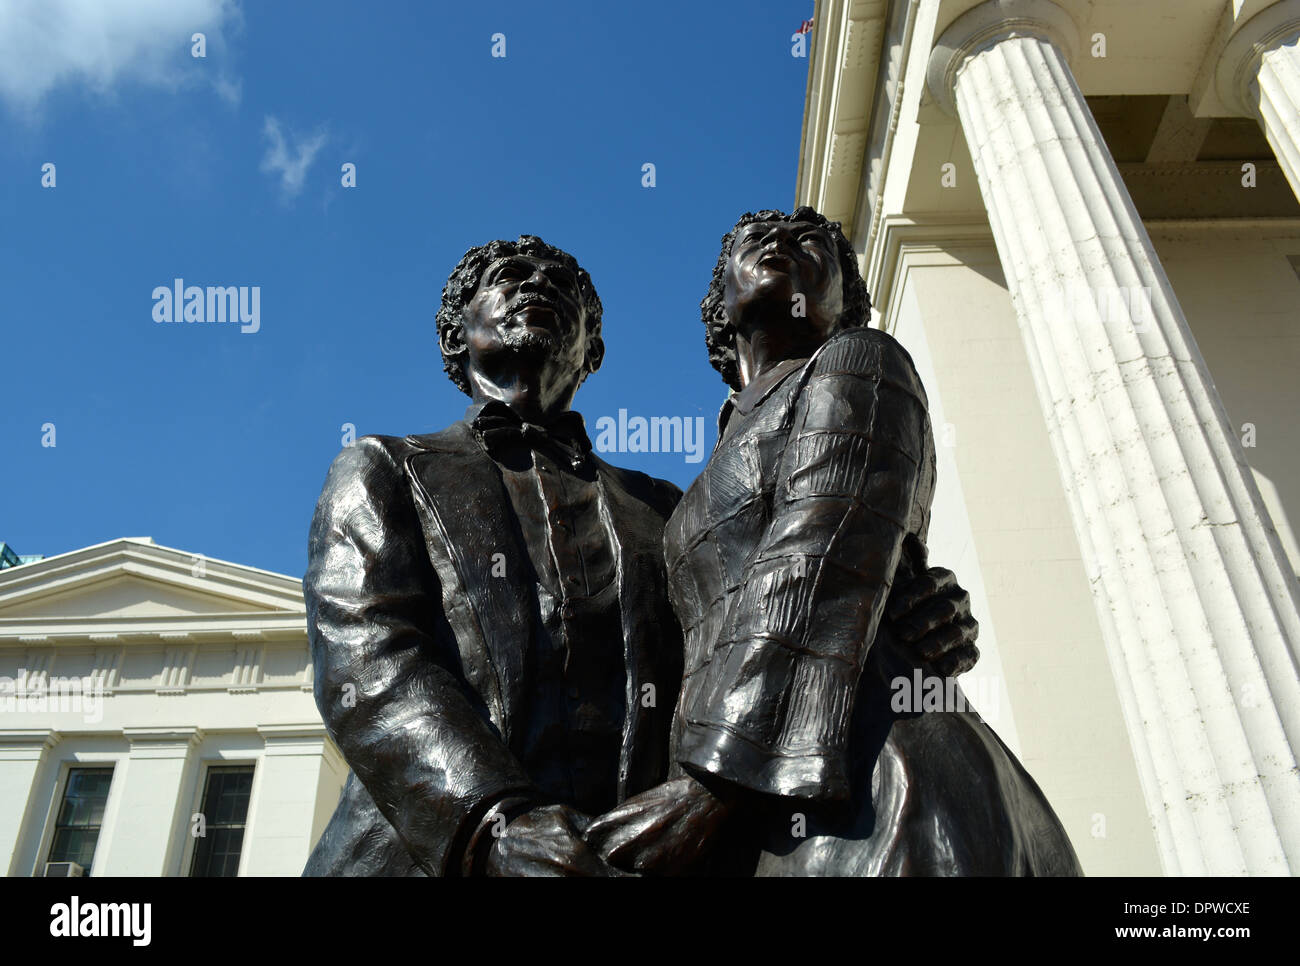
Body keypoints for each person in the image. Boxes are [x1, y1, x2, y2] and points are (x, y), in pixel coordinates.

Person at [302, 234, 981, 876]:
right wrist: (493, 826)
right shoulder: (385, 467)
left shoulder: (667, 509)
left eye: (562, 286)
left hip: (632, 857)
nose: (538, 287)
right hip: (431, 855)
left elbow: (766, 612)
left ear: (592, 351)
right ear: (456, 333)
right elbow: (372, 666)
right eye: (510, 279)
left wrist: (905, 605)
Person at [584, 208, 1082, 876]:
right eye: (754, 243)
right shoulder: (696, 480)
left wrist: (717, 785)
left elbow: (820, 557)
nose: (782, 245)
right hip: (752, 804)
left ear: (849, 303)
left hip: (870, 781)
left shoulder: (860, 362)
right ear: (719, 306)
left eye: (811, 244)